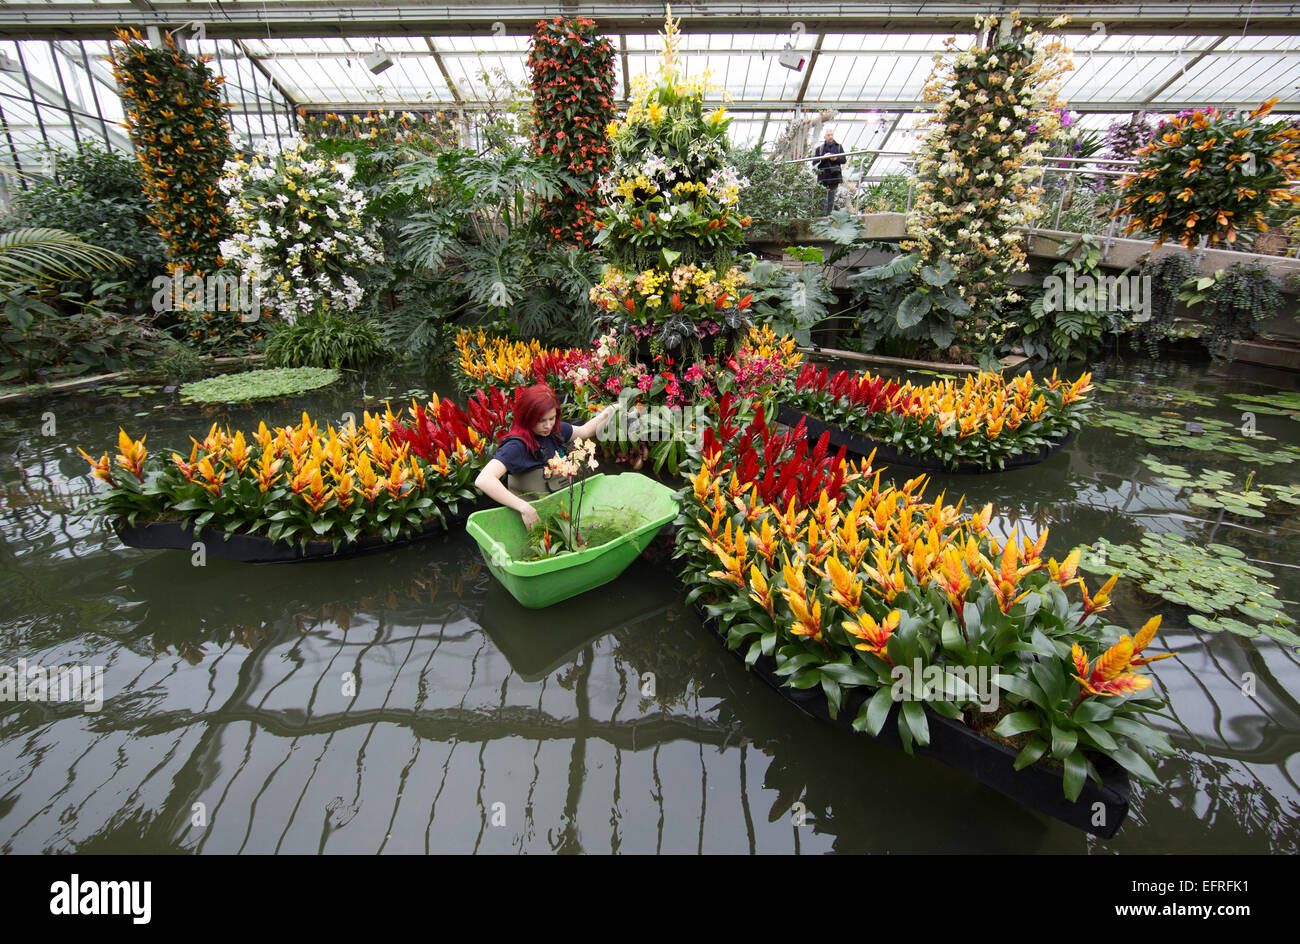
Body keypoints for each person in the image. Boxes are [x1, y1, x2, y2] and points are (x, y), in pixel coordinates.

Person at [474, 383, 616, 529]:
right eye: (541, 420)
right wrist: (524, 507)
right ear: (527, 417)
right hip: (534, 523)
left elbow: (585, 431)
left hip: (562, 512)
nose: (548, 425)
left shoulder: (556, 431)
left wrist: (610, 412)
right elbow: (484, 479)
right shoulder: (517, 446)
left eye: (552, 418)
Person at [812, 127, 846, 216]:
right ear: (825, 137)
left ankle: (829, 216)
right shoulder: (820, 149)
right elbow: (814, 163)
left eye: (832, 135)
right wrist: (823, 158)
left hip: (834, 176)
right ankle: (823, 216)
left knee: (832, 197)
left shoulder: (838, 147)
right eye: (828, 135)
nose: (830, 137)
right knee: (822, 198)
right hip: (823, 176)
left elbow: (844, 160)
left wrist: (835, 158)